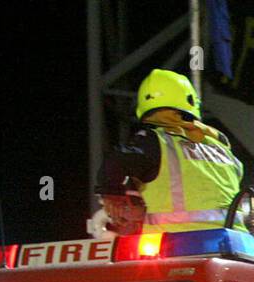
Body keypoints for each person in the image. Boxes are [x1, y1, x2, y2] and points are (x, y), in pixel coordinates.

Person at [97, 69, 245, 235]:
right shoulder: (220, 146)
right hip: (238, 245)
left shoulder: (156, 142)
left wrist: (112, 196)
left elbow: (116, 161)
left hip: (180, 246)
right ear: (189, 100)